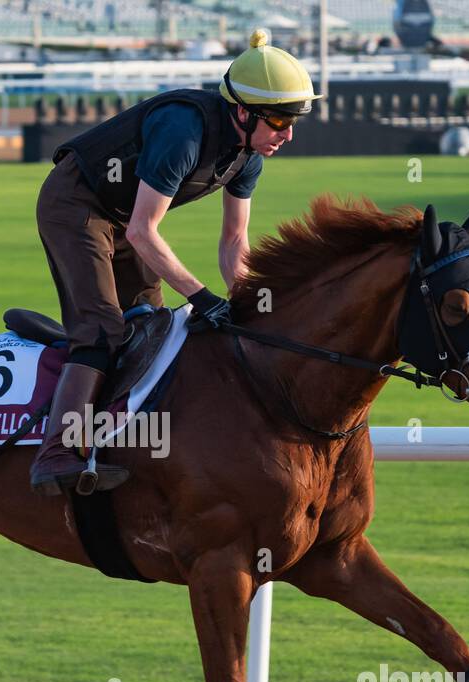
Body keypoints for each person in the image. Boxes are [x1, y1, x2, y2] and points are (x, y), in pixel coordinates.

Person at [29, 28, 321, 495]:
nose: (287, 135)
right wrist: (202, 297)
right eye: (280, 123)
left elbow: (234, 241)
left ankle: (126, 440)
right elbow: (144, 231)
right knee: (102, 329)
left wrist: (245, 303)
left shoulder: (248, 156)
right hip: (76, 205)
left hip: (124, 216)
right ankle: (57, 454)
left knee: (152, 325)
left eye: (293, 124)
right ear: (243, 112)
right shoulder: (183, 131)